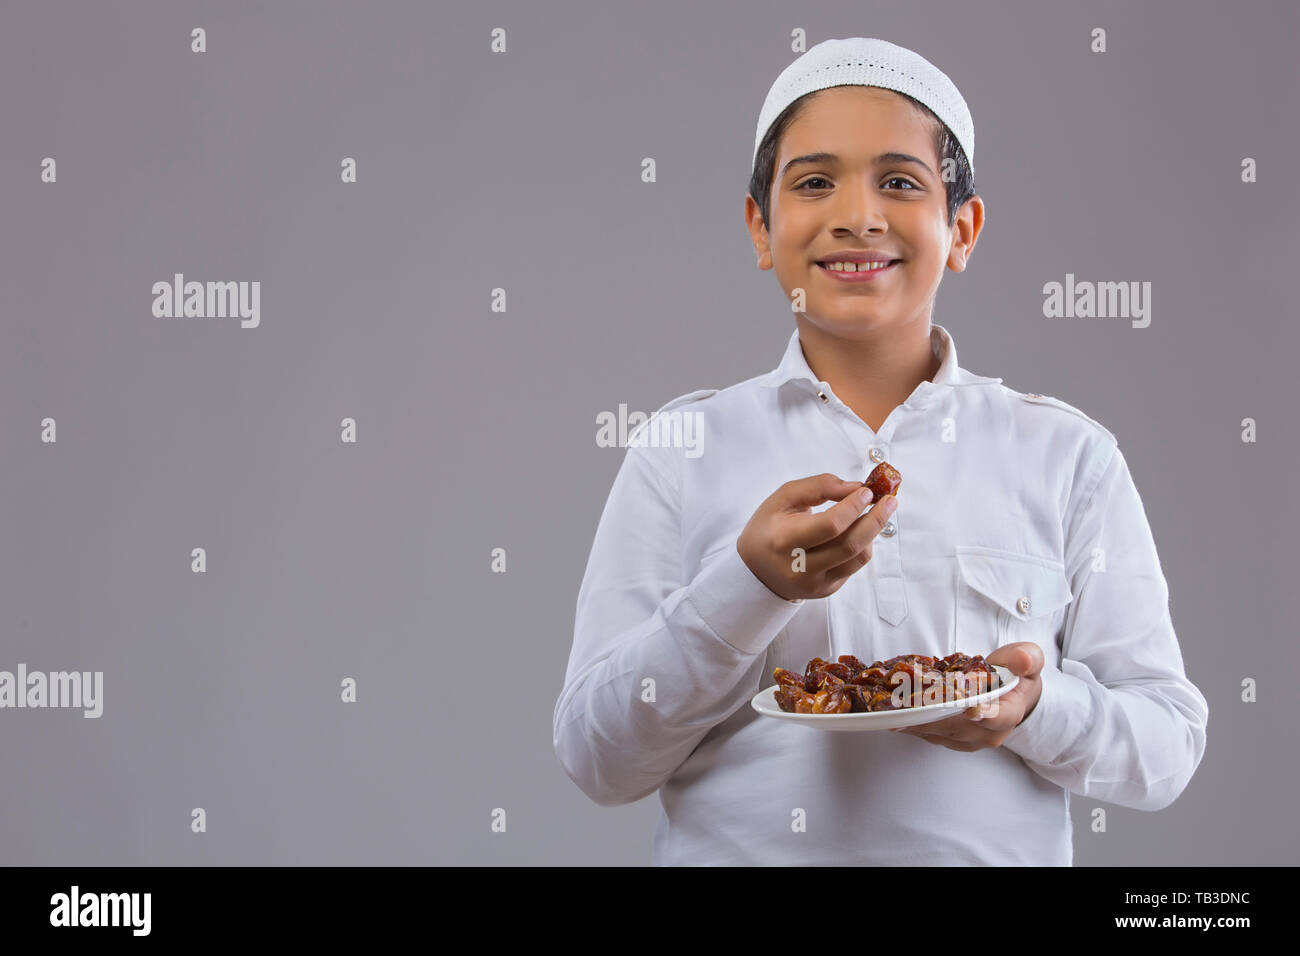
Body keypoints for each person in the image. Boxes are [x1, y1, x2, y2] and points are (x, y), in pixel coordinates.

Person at [552, 37, 1208, 865]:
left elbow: (1167, 748)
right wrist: (747, 585)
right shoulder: (680, 449)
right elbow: (597, 759)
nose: (857, 215)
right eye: (815, 181)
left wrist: (1035, 709)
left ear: (961, 229)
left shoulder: (1065, 454)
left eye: (899, 182)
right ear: (761, 227)